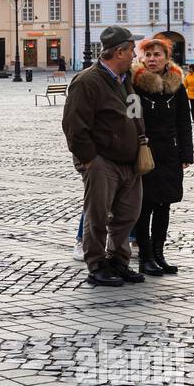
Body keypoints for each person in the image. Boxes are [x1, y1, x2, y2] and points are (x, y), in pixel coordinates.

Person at [62, 25, 145, 286]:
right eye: (131, 50)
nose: (134, 55)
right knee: (97, 216)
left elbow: (135, 113)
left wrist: (141, 140)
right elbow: (74, 126)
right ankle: (97, 264)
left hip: (129, 161)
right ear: (118, 52)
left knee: (127, 215)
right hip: (102, 162)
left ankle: (119, 262)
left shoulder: (125, 79)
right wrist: (90, 160)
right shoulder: (87, 81)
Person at [131, 37, 193, 276]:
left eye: (157, 54)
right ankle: (145, 257)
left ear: (167, 58)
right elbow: (130, 119)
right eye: (148, 55)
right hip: (145, 153)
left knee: (164, 206)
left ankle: (159, 255)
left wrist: (186, 153)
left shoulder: (176, 85)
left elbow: (184, 122)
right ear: (142, 58)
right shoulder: (135, 85)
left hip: (170, 154)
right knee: (144, 206)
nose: (152, 59)